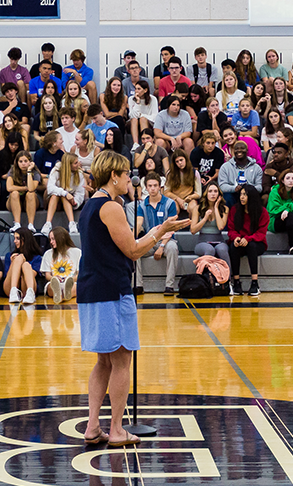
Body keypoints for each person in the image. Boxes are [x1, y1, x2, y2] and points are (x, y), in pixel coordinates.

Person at [77, 150, 190, 448]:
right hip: (111, 290)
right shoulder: (111, 207)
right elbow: (133, 250)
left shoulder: (89, 206)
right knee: (122, 358)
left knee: (103, 361)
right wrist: (161, 231)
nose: (129, 178)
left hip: (91, 288)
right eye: (126, 173)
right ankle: (116, 429)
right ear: (114, 176)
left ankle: (92, 427)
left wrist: (155, 231)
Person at [133, 173, 180, 294]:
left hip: (167, 240)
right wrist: (132, 239)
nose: (152, 188)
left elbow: (171, 227)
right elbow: (139, 224)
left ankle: (169, 286)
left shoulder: (170, 203)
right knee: (135, 250)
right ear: (146, 188)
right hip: (150, 240)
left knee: (172, 248)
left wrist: (162, 246)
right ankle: (138, 285)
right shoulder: (142, 205)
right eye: (150, 186)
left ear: (160, 187)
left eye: (155, 185)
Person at [45, 152, 86, 235]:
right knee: (57, 194)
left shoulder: (79, 174)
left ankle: (72, 223)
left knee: (65, 197)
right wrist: (65, 193)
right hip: (52, 200)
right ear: (68, 165)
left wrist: (75, 202)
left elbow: (80, 193)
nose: (78, 164)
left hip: (68, 202)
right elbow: (50, 188)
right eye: (75, 163)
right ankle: (48, 223)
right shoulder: (56, 170)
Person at [4, 226, 44, 305]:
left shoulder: (36, 257)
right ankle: (13, 291)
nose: (15, 241)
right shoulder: (9, 255)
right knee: (19, 258)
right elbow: (6, 275)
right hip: (9, 287)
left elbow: (33, 274)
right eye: (14, 238)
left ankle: (30, 292)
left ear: (26, 240)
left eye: (18, 238)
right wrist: (14, 263)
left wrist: (22, 266)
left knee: (25, 264)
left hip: (26, 286)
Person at [42, 227, 81, 304]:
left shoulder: (77, 252)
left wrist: (70, 280)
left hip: (72, 282)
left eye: (53, 239)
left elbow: (79, 274)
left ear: (61, 238)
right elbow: (47, 275)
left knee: (76, 287)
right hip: (54, 282)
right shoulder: (48, 254)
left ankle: (62, 295)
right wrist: (54, 278)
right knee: (50, 287)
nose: (51, 242)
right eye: (50, 239)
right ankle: (60, 294)